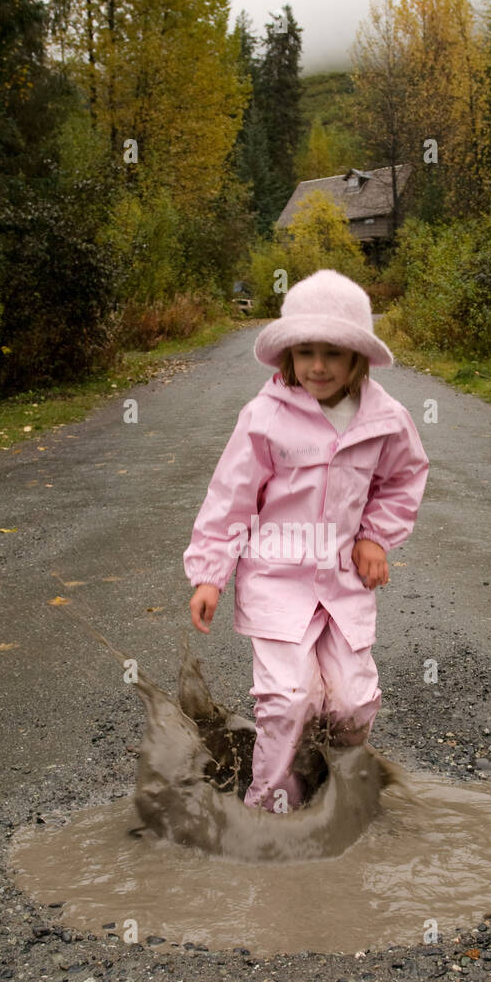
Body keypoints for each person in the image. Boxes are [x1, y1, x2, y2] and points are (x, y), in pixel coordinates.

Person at [184, 269, 429, 811]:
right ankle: (271, 806)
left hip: (343, 580)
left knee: (353, 702)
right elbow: (232, 499)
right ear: (288, 354)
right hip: (277, 578)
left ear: (358, 359)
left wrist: (375, 536)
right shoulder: (265, 419)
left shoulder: (385, 419)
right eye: (306, 352)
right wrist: (209, 574)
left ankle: (330, 790)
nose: (318, 366)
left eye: (334, 353)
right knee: (292, 697)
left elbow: (403, 478)